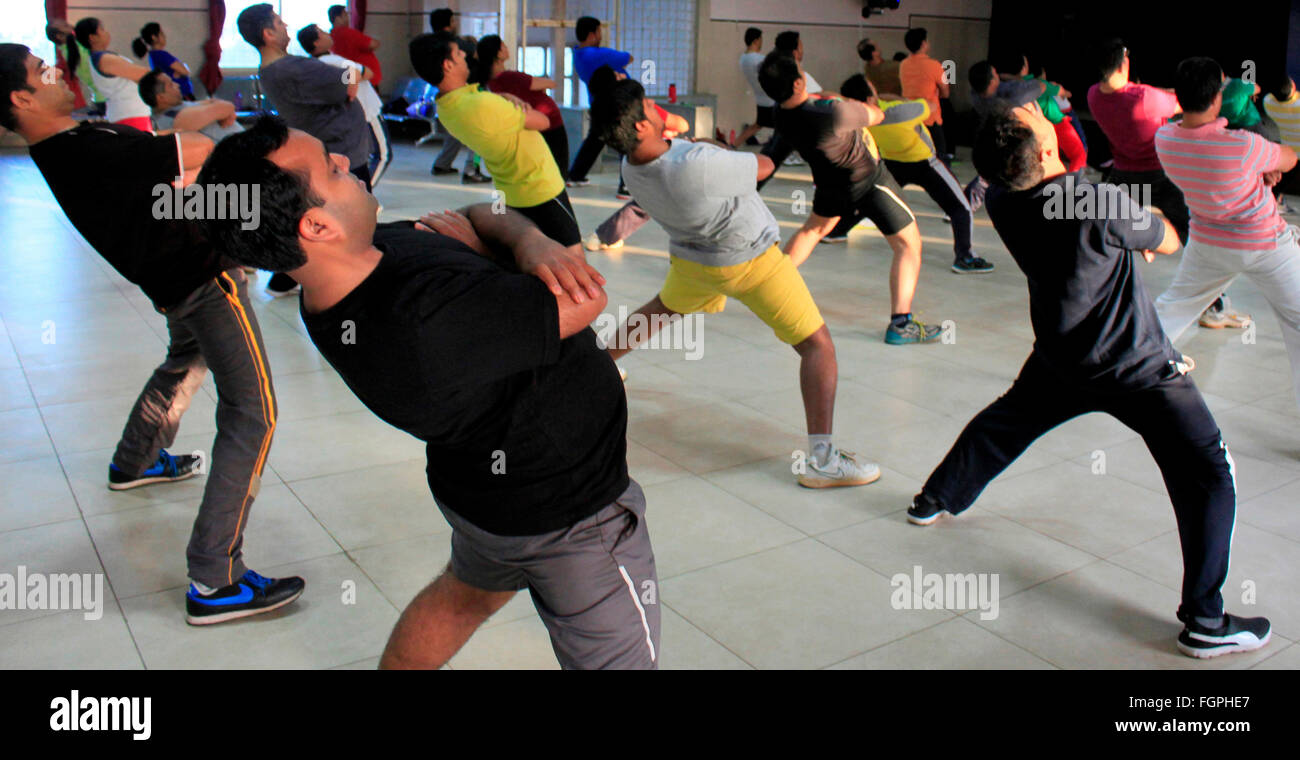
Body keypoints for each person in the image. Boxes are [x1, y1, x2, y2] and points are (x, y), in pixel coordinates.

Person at [198, 115, 659, 670]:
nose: (347, 161)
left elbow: (480, 211)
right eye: (331, 168)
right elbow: (583, 298)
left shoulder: (366, 258)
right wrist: (509, 250)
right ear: (318, 228)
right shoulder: (417, 324)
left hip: (484, 498)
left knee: (466, 596)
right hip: (565, 514)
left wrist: (525, 243)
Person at [908, 100, 1269, 660]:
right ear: (1047, 149)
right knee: (1209, 475)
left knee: (1008, 421)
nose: (1034, 113)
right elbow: (1169, 239)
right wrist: (1135, 235)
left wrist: (1112, 233)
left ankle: (934, 499)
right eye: (1033, 123)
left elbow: (1064, 202)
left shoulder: (1005, 198)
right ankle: (1205, 619)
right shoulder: (1094, 200)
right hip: (1137, 367)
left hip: (1061, 356)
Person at [0, 43, 302, 625]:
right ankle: (217, 579)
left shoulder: (71, 145)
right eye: (43, 71)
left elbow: (173, 173)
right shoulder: (83, 148)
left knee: (187, 359)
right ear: (21, 97)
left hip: (169, 277)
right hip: (203, 280)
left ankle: (135, 460)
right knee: (254, 411)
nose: (58, 73)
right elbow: (194, 147)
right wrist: (209, 128)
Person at [596, 78, 882, 487]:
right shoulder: (694, 162)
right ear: (640, 126)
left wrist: (695, 145)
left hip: (693, 263)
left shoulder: (631, 165)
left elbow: (681, 157)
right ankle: (822, 459)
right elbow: (763, 167)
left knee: (658, 312)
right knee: (817, 345)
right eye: (649, 106)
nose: (657, 109)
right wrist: (715, 148)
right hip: (751, 261)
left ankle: (591, 366)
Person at [759, 50, 942, 345]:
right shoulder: (833, 112)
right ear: (796, 84)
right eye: (801, 71)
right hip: (869, 183)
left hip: (830, 183)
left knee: (814, 230)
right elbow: (881, 115)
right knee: (909, 245)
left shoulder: (781, 114)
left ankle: (767, 286)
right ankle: (900, 324)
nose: (804, 73)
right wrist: (925, 105)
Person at [1153, 57, 1300, 413]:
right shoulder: (1242, 145)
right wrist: (1264, 168)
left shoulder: (1165, 138)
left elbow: (1222, 169)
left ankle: (1120, 367)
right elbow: (1289, 158)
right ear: (1217, 98)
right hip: (1264, 244)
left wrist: (1257, 173)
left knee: (1171, 310)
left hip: (1207, 244)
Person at [1088, 38, 1250, 330]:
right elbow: (1184, 102)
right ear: (1125, 63)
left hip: (1124, 178)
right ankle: (1215, 306)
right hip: (1163, 176)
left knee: (1113, 238)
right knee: (1198, 236)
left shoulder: (1093, 97)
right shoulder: (1144, 98)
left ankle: (1108, 304)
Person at [237, 3, 371, 297]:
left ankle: (287, 278)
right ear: (267, 33)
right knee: (349, 214)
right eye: (279, 22)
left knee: (322, 213)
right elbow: (350, 83)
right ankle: (339, 280)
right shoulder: (294, 69)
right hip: (341, 149)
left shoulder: (276, 69)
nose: (286, 26)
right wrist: (351, 69)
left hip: (330, 146)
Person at [411, 32, 580, 246]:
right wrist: (507, 101)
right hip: (539, 186)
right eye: (458, 52)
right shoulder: (485, 101)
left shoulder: (447, 106)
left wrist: (502, 99)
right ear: (447, 65)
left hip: (509, 189)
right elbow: (542, 122)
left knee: (531, 249)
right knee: (571, 255)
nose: (464, 54)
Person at [838, 74, 992, 273]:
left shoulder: (856, 116)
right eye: (872, 88)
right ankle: (965, 257)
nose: (876, 90)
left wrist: (883, 97)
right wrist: (904, 99)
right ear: (869, 98)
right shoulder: (902, 111)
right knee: (960, 207)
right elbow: (932, 106)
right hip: (925, 163)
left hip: (892, 163)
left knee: (869, 202)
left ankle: (836, 231)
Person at [582, 65, 690, 252]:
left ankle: (606, 235)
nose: (622, 73)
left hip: (639, 165)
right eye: (618, 75)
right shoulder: (643, 109)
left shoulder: (607, 112)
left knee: (648, 199)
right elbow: (682, 125)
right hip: (664, 160)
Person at [298, 23, 391, 187]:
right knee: (383, 154)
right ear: (316, 43)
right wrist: (349, 78)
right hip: (367, 111)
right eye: (321, 32)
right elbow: (366, 73)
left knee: (363, 156)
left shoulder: (318, 65)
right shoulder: (333, 61)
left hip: (354, 115)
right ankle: (365, 194)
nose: (327, 33)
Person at [475, 34, 567, 181]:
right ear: (498, 54)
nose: (506, 48)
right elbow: (550, 83)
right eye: (503, 46)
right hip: (550, 125)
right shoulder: (509, 77)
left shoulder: (491, 82)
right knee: (558, 169)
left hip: (530, 126)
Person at [568, 15, 633, 187]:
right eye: (599, 32)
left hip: (597, 103)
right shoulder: (597, 54)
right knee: (626, 140)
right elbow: (628, 58)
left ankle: (575, 176)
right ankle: (626, 186)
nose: (600, 36)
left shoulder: (578, 54)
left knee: (595, 140)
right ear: (591, 34)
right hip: (617, 102)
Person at [995, 50, 1085, 172]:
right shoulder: (1039, 84)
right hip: (1057, 123)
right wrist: (1056, 87)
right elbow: (1064, 93)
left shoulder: (1005, 87)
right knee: (1078, 154)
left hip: (1031, 126)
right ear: (1023, 69)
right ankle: (1073, 185)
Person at [427, 10, 487, 183]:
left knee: (456, 131)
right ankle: (472, 169)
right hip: (467, 94)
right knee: (478, 133)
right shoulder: (456, 45)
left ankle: (442, 164)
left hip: (447, 96)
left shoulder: (431, 45)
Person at [74, 17, 152, 131]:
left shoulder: (103, 57)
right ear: (92, 37)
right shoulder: (104, 59)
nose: (107, 33)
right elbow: (144, 74)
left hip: (132, 112)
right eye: (102, 29)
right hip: (130, 114)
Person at [139, 70, 243, 142]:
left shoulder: (181, 106)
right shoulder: (169, 119)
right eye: (171, 85)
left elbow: (219, 104)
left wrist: (225, 110)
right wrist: (224, 110)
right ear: (161, 97)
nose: (177, 85)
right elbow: (222, 107)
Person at [898, 28, 950, 163]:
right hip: (930, 117)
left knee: (915, 158)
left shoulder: (903, 64)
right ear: (923, 44)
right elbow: (945, 92)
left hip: (910, 116)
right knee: (939, 157)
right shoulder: (935, 65)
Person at [1262, 70, 1300, 211]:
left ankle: (1273, 201)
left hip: (1288, 152)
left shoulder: (1268, 103)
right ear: (1293, 86)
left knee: (1281, 182)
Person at [131, 22, 194, 100]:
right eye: (162, 34)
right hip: (182, 95)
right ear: (154, 37)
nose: (165, 37)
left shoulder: (153, 55)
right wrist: (182, 68)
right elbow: (185, 71)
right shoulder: (161, 55)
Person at [326, 4, 381, 88]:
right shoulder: (347, 33)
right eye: (345, 15)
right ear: (338, 19)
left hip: (351, 80)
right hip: (365, 81)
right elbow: (373, 44)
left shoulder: (331, 37)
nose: (348, 18)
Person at [733, 27, 769, 148]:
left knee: (757, 125)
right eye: (760, 40)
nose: (761, 43)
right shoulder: (759, 59)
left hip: (760, 98)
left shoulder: (743, 58)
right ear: (756, 40)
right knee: (783, 127)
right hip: (770, 99)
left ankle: (733, 145)